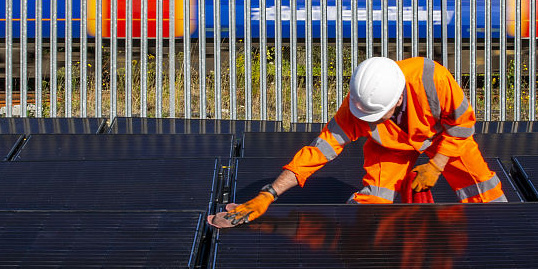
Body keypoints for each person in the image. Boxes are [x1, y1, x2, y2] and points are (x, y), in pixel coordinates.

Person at [217, 56, 507, 227]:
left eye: (378, 116)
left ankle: (501, 235)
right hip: (390, 148)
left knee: (484, 189)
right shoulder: (358, 104)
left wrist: (437, 164)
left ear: (399, 98)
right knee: (372, 206)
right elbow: (319, 151)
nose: (370, 122)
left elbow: (463, 123)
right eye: (367, 118)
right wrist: (268, 193)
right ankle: (374, 251)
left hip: (445, 141)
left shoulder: (431, 79)